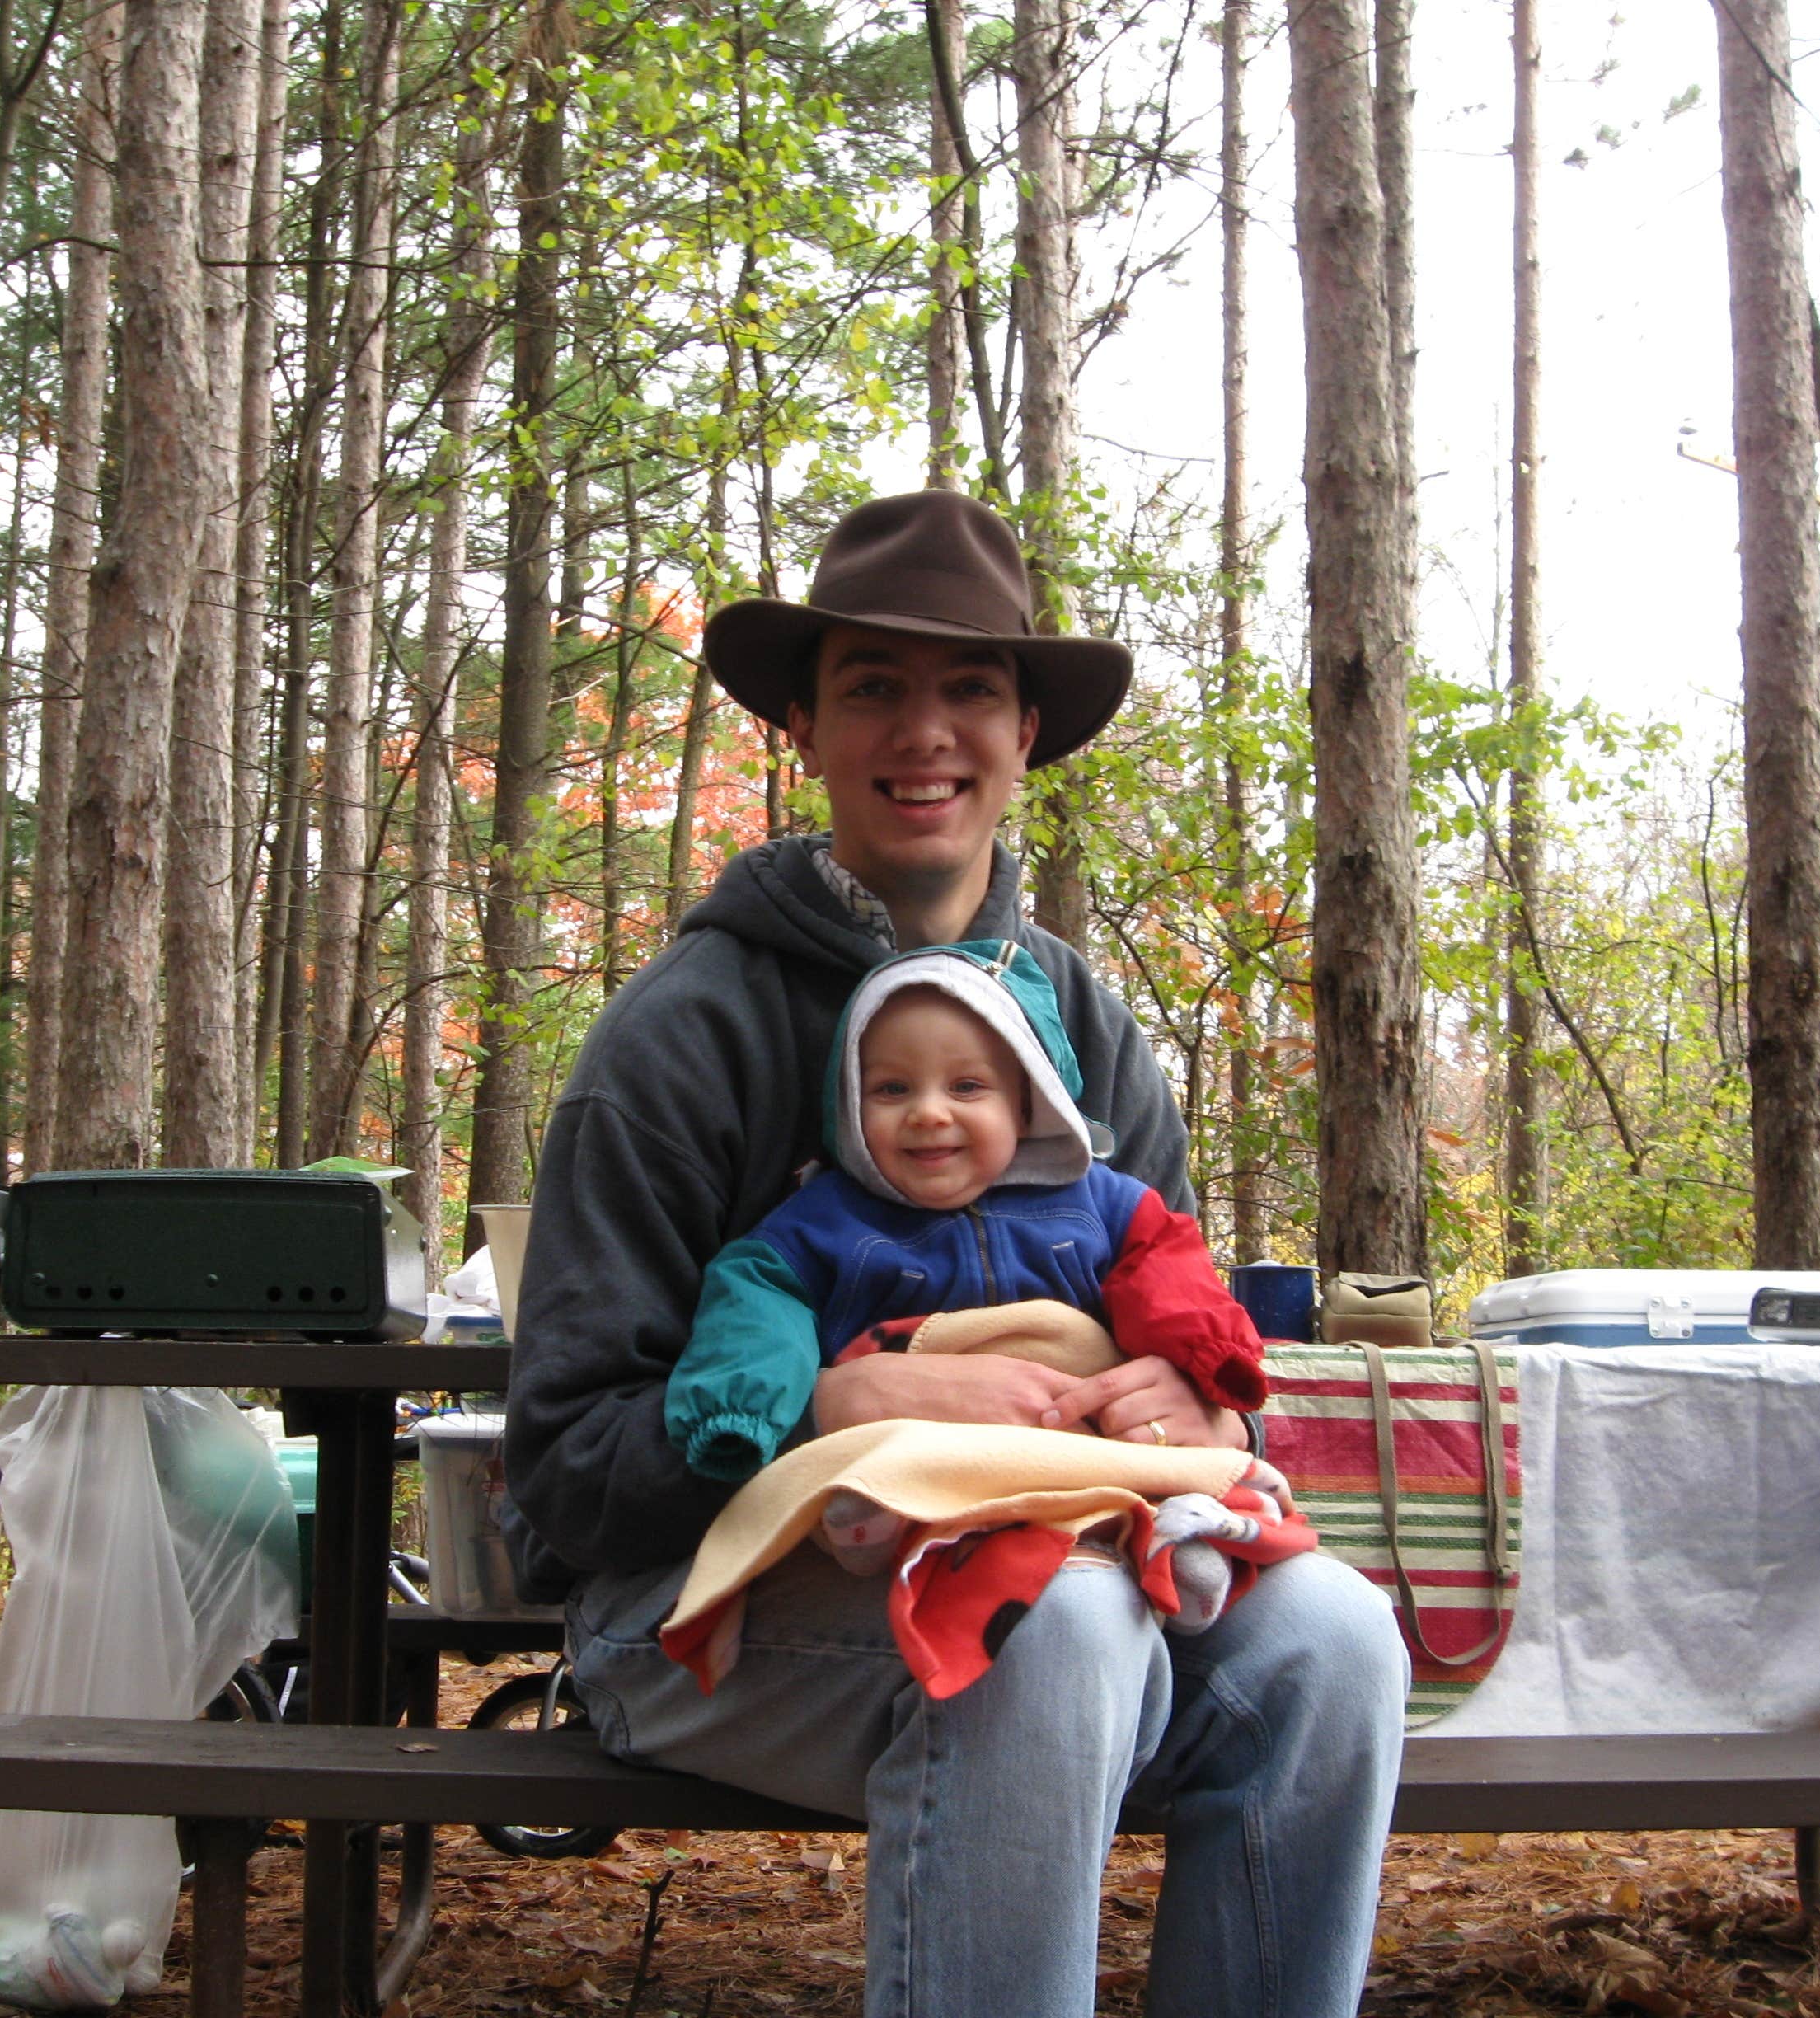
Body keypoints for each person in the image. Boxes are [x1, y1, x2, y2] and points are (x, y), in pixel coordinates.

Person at [504, 490, 1408, 2018]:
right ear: (801, 724)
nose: (922, 730)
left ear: (1024, 731)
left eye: (968, 687)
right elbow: (563, 1473)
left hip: (1092, 1563)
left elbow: (1172, 1308)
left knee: (1331, 1635)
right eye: (871, 684)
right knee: (1040, 1620)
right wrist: (813, 1413)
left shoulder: (1079, 1023)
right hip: (690, 1606)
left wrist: (1208, 1414)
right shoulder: (685, 1035)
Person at [664, 938, 1270, 1488]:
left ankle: (1192, 1546)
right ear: (850, 1107)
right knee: (1080, 1605)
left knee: (1316, 1604)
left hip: (1096, 1458)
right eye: (892, 1089)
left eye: (967, 1087)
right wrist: (738, 1408)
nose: (928, 1112)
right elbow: (756, 1298)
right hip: (918, 1480)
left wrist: (1211, 1366)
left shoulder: (1101, 1203)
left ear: (1029, 1104)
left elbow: (1168, 1271)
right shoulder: (825, 1221)